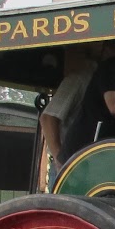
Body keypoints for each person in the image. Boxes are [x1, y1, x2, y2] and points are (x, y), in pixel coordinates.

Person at [38, 46, 96, 186]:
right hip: (72, 167)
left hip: (92, 166)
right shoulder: (81, 79)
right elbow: (47, 118)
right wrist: (61, 162)